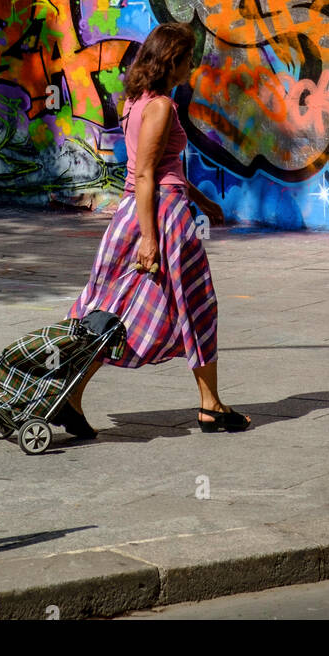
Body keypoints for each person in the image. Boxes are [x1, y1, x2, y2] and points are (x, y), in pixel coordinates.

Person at [61, 22, 250, 437]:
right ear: (172, 60)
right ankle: (211, 407)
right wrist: (150, 238)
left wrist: (201, 200)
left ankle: (70, 395)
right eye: (188, 58)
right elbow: (146, 173)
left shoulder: (136, 99)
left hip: (143, 211)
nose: (192, 65)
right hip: (160, 220)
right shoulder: (161, 105)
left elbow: (158, 166)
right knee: (197, 304)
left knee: (115, 310)